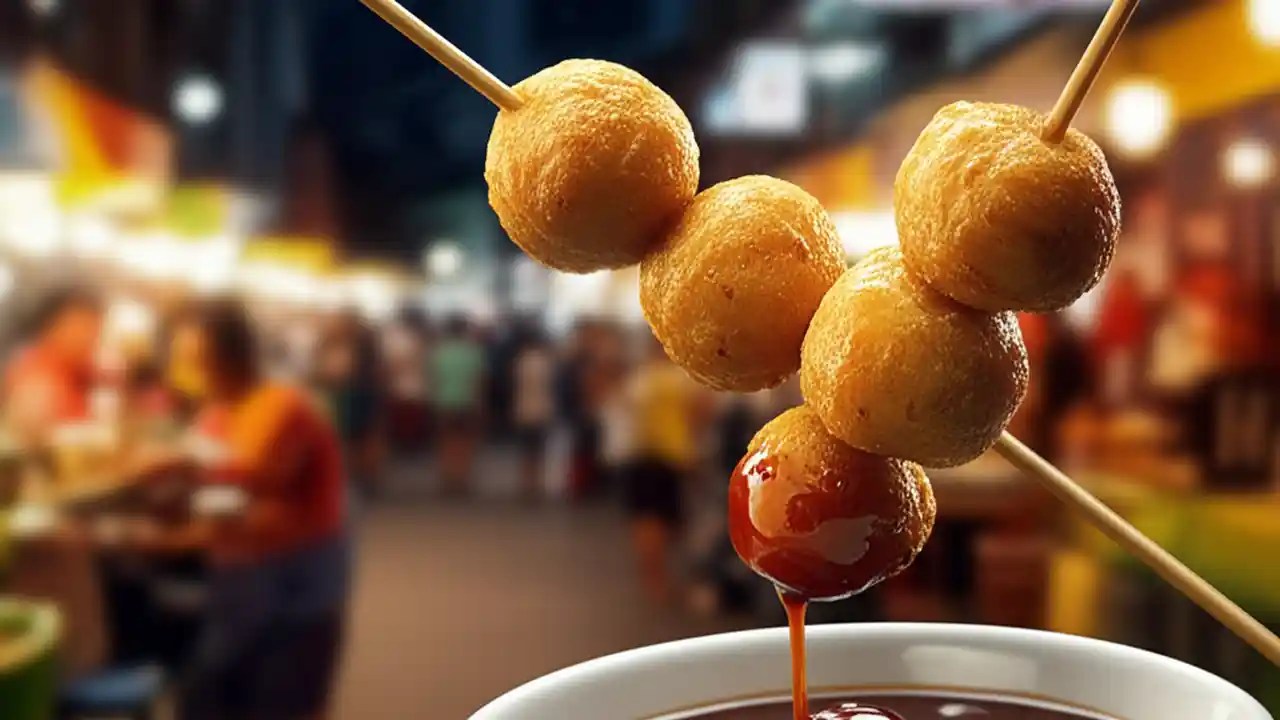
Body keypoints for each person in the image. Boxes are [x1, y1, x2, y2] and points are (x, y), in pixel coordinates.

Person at [179, 298, 350, 720]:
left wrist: (176, 470)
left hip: (295, 589)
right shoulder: (217, 413)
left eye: (194, 359)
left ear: (227, 358)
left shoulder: (282, 407)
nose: (184, 370)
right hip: (242, 586)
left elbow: (251, 479)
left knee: (282, 700)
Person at [620, 338, 702, 604]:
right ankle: (658, 578)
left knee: (646, 520)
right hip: (671, 458)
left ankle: (653, 576)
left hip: (640, 456)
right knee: (663, 522)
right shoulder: (680, 380)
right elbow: (699, 415)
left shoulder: (640, 379)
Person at [4, 287, 104, 442]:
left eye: (95, 329)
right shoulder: (37, 377)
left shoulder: (78, 368)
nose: (91, 339)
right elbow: (29, 443)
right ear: (50, 329)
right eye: (81, 328)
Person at [429, 315, 486, 494]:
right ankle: (462, 478)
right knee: (465, 443)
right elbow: (479, 381)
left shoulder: (439, 352)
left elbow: (434, 379)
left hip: (444, 402)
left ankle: (447, 478)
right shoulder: (473, 352)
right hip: (467, 402)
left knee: (445, 442)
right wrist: (480, 403)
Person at [512, 329, 554, 499]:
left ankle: (526, 483)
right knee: (538, 450)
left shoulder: (520, 361)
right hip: (542, 409)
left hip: (523, 409)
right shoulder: (546, 362)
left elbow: (516, 386)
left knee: (525, 450)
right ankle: (537, 483)